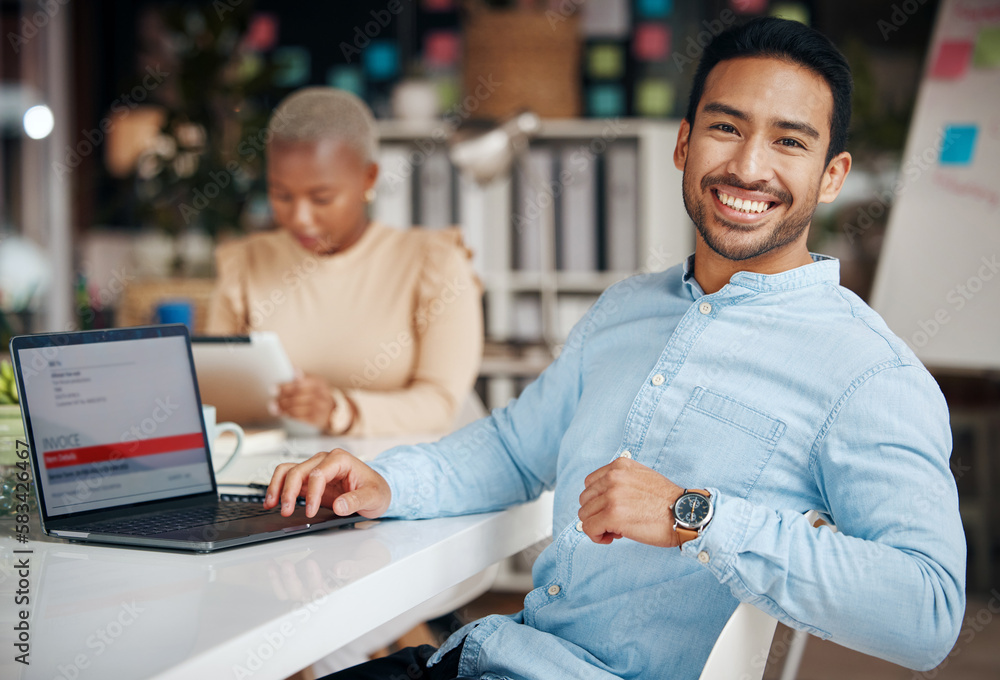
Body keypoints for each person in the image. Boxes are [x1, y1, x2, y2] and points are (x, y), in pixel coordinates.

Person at [263, 18, 966, 680]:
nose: (749, 166)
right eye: (726, 128)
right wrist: (387, 482)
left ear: (832, 175)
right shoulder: (627, 308)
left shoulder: (868, 373)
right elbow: (514, 450)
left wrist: (694, 516)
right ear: (684, 144)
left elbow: (929, 612)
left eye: (789, 142)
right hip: (494, 653)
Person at [206, 88, 483, 436]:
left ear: (369, 178)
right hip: (271, 466)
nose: (300, 218)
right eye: (281, 195)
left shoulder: (434, 264)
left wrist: (340, 411)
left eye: (321, 198)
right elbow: (215, 396)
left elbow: (440, 404)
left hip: (391, 466)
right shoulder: (245, 264)